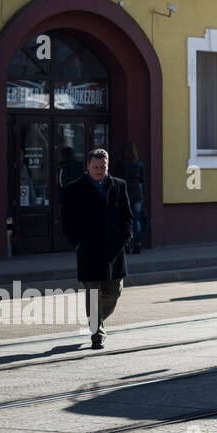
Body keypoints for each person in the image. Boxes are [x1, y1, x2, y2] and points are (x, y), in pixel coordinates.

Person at [60, 148, 133, 349]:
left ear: (108, 165)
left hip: (114, 250)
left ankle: (99, 318)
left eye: (103, 166)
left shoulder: (119, 185)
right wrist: (76, 242)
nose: (100, 170)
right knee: (92, 293)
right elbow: (67, 221)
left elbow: (127, 217)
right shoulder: (74, 189)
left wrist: (125, 238)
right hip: (89, 250)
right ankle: (97, 332)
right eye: (96, 167)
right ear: (88, 166)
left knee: (113, 292)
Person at [114, 141, 145, 254]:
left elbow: (117, 180)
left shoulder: (121, 164)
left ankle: (126, 246)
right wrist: (143, 195)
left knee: (125, 221)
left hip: (125, 193)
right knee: (136, 220)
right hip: (137, 193)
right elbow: (143, 181)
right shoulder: (139, 164)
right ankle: (138, 244)